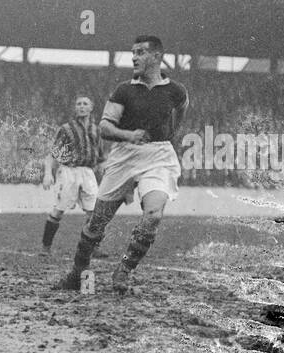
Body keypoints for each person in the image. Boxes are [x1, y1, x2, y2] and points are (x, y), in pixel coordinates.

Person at [55, 35, 189, 294]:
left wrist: (164, 137)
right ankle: (77, 274)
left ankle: (123, 272)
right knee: (96, 223)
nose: (134, 57)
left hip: (158, 156)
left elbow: (179, 116)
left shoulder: (177, 91)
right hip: (125, 155)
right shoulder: (124, 90)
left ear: (157, 57)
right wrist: (130, 135)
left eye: (140, 52)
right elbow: (105, 127)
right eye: (133, 52)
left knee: (153, 215)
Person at [41, 95, 101, 254]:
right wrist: (48, 174)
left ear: (91, 107)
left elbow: (100, 157)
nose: (81, 106)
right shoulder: (66, 129)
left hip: (87, 172)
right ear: (75, 108)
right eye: (78, 104)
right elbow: (53, 154)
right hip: (69, 172)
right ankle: (46, 247)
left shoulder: (96, 130)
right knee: (59, 210)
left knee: (93, 212)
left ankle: (92, 248)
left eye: (85, 104)